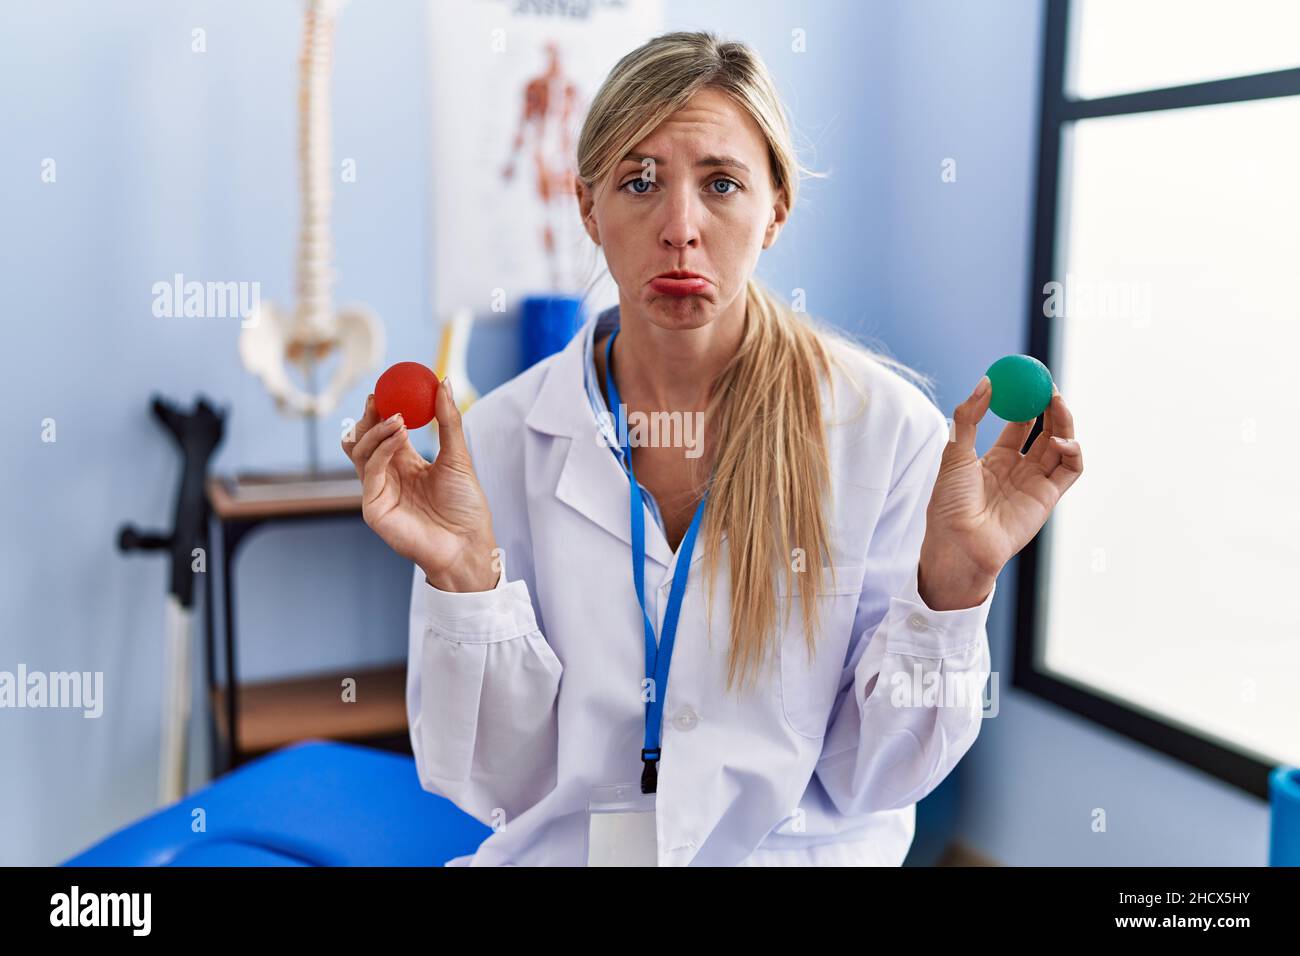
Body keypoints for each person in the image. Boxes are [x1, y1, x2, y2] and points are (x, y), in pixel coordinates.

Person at [342, 31, 1082, 866]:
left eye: (721, 183)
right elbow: (499, 781)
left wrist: (956, 586)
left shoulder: (889, 434)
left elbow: (874, 776)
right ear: (589, 208)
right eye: (640, 182)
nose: (680, 229)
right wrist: (466, 579)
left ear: (775, 209)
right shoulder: (498, 441)